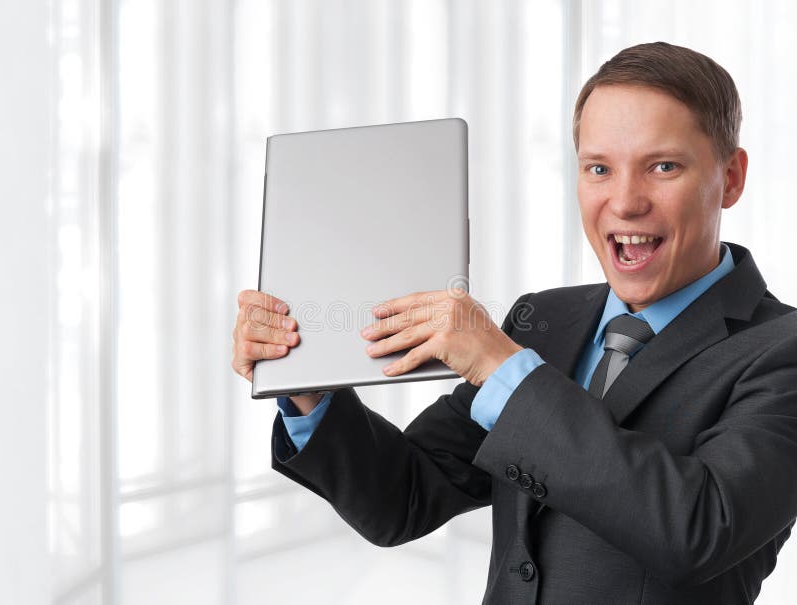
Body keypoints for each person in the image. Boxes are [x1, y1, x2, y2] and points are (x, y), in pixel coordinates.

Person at [232, 42, 797, 604]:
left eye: (663, 166)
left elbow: (699, 531)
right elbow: (400, 499)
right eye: (599, 168)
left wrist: (506, 372)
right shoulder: (546, 321)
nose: (624, 202)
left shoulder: (781, 350)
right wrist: (308, 390)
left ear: (730, 177)